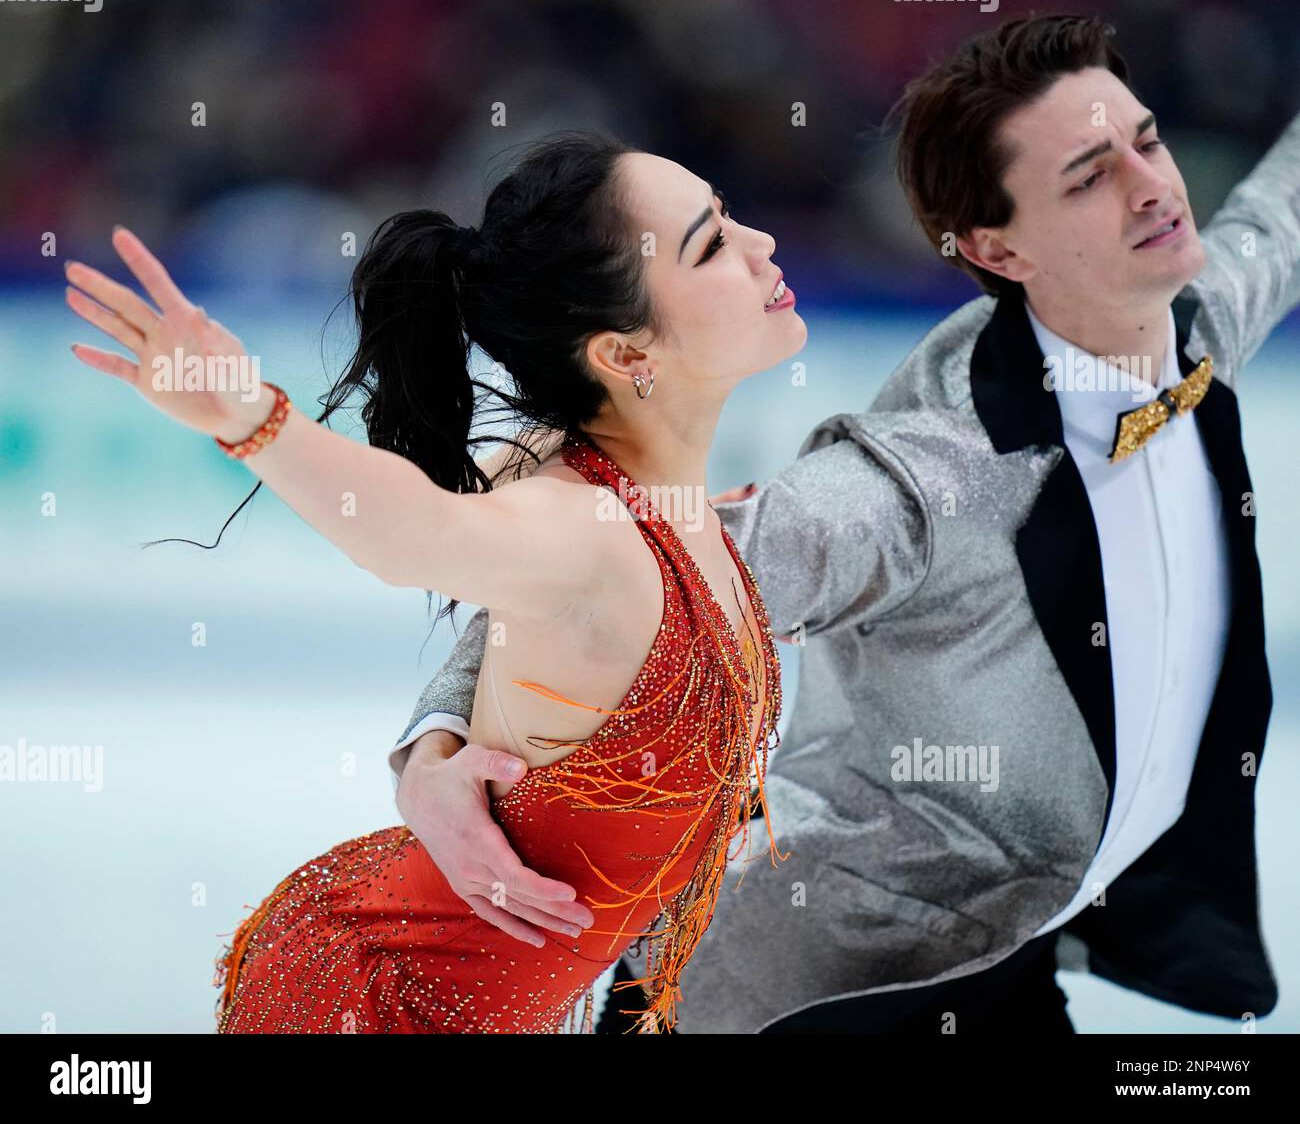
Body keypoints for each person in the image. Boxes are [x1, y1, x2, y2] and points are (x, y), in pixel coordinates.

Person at [391, 15, 1291, 1033]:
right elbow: (614, 575)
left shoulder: (1195, 318)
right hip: (823, 983)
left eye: (1147, 140)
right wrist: (439, 745)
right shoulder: (923, 481)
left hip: (996, 951)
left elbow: (1278, 210)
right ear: (998, 246)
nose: (1150, 187)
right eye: (1087, 176)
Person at [62, 131, 808, 1032]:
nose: (761, 245)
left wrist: (432, 752)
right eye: (713, 242)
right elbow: (418, 531)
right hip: (378, 1003)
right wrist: (252, 418)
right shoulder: (584, 531)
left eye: (725, 218)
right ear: (623, 353)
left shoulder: (640, 494)